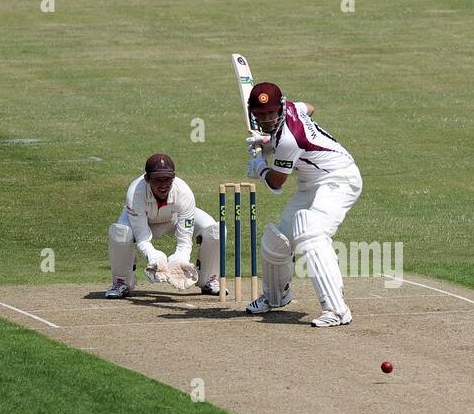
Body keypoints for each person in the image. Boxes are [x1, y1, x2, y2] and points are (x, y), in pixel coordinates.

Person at [242, 81, 362, 327]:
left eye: (270, 113)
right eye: (260, 114)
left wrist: (260, 167)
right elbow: (310, 107)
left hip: (339, 179)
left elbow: (276, 184)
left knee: (310, 232)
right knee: (276, 242)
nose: (266, 119)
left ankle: (337, 310)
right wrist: (267, 141)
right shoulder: (293, 108)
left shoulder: (288, 140)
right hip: (311, 182)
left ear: (281, 108)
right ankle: (275, 298)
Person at [106, 153, 220, 298]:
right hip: (144, 223)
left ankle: (209, 280)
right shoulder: (135, 193)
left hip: (174, 220)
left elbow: (185, 237)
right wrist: (154, 257)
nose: (163, 185)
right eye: (157, 180)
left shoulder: (184, 192)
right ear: (147, 178)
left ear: (174, 177)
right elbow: (142, 237)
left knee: (215, 230)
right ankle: (121, 281)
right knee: (120, 233)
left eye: (167, 180)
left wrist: (180, 260)